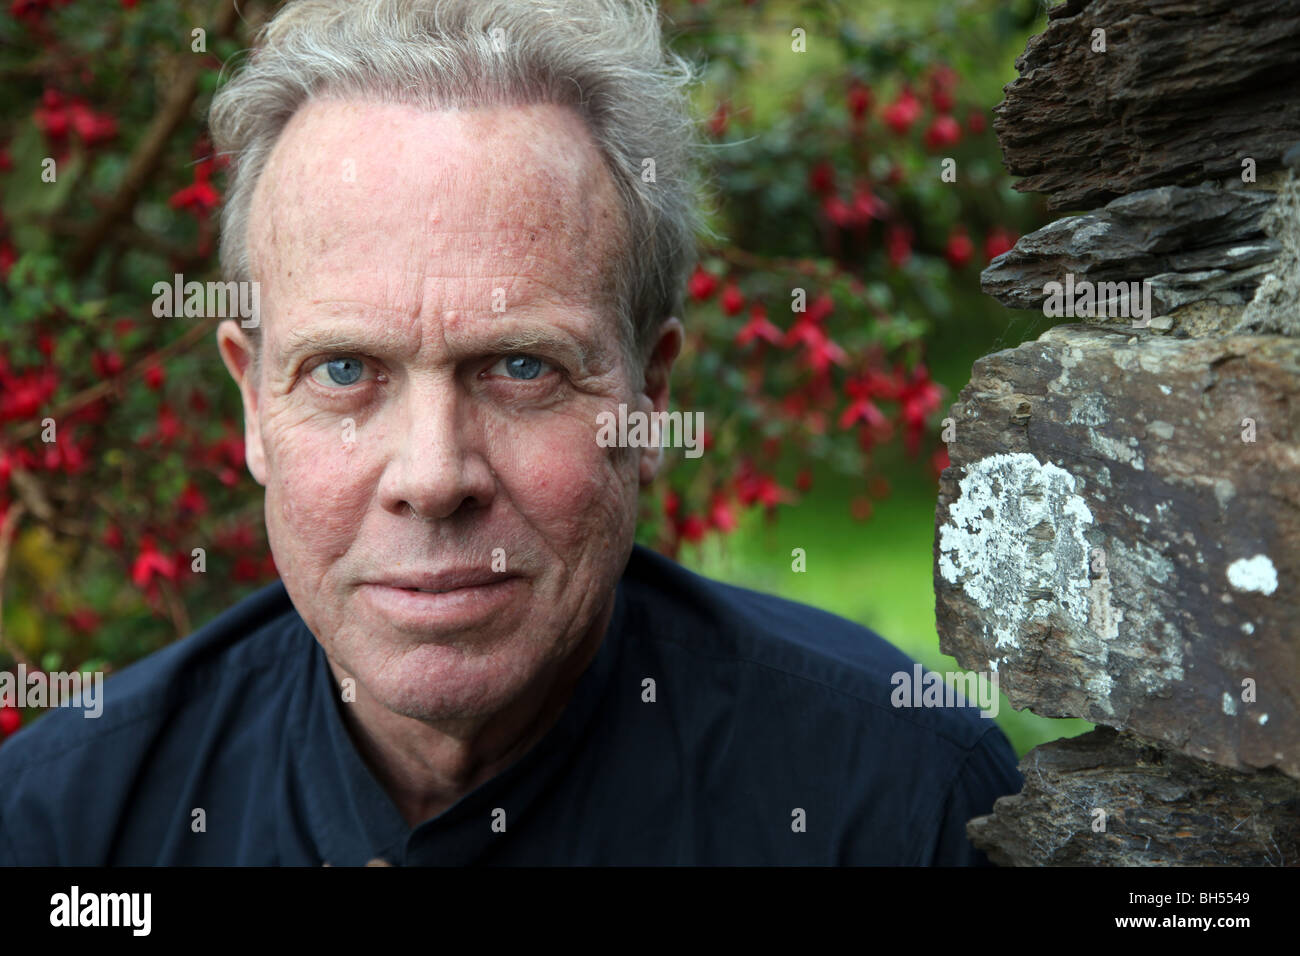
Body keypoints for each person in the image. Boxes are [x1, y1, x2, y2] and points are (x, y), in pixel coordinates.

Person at [0, 0, 1021, 865]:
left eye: (523, 366)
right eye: (345, 370)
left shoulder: (898, 800)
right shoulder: (66, 823)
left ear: (649, 396)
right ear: (254, 404)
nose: (434, 476)